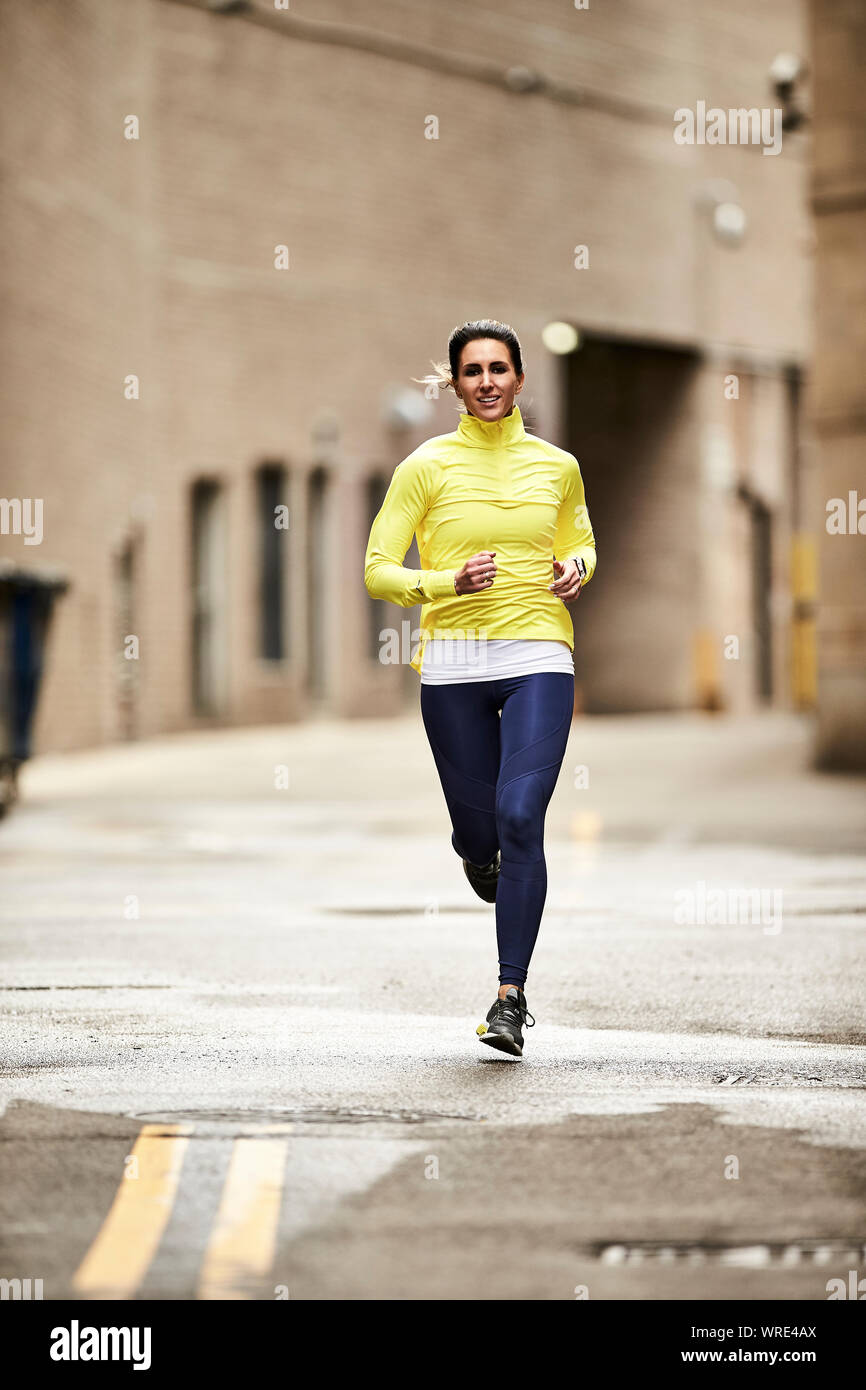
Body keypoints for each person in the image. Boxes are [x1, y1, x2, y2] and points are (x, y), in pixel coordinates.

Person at [364, 319, 596, 1057]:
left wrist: (578, 569)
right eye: (473, 371)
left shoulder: (558, 467)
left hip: (538, 653)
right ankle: (478, 854)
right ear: (455, 383)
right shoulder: (424, 467)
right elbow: (378, 568)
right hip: (454, 662)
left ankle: (510, 998)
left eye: (500, 368)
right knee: (482, 832)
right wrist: (445, 581)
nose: (488, 381)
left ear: (520, 379)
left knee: (522, 815)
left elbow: (580, 541)